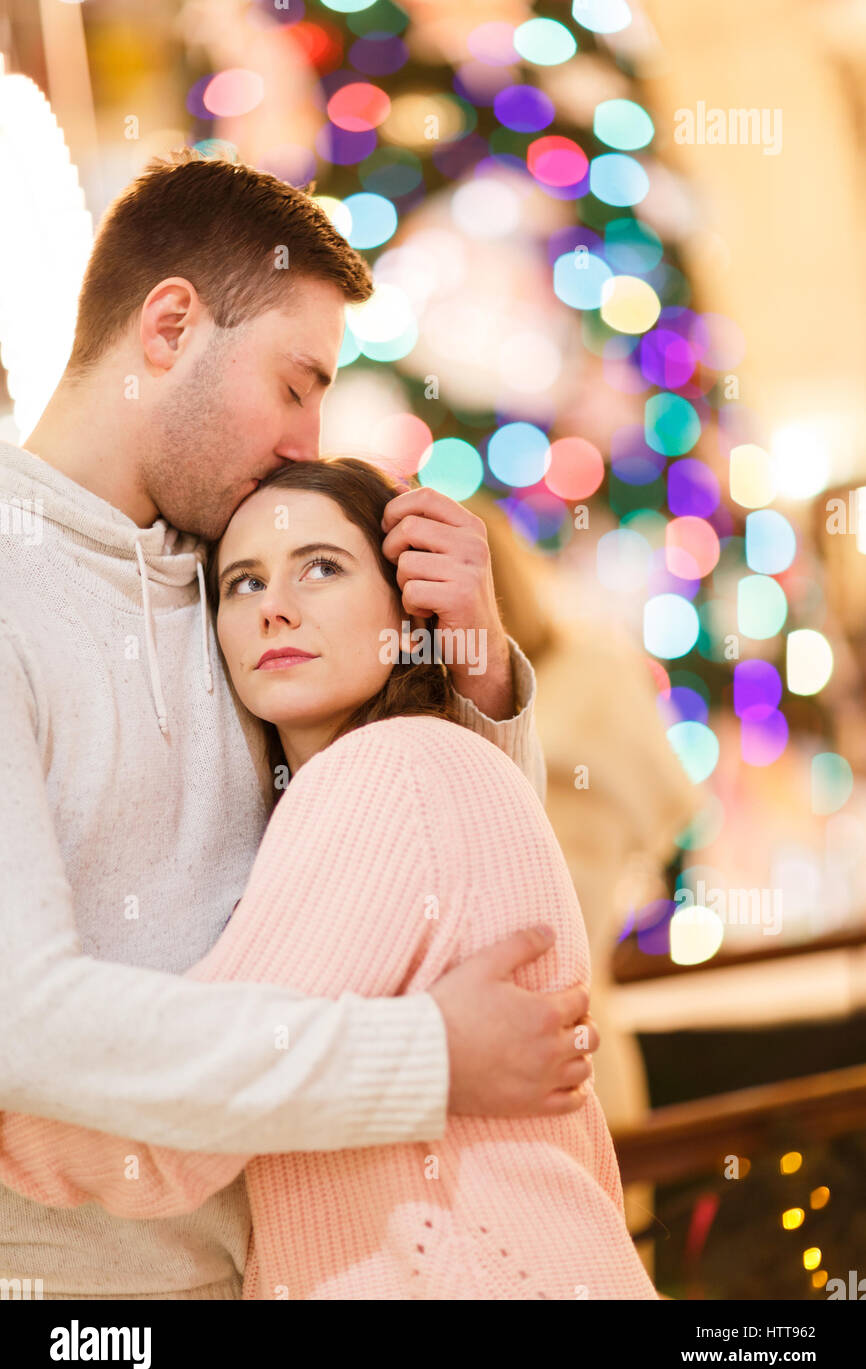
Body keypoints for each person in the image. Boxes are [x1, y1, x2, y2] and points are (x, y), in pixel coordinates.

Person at [0, 150, 596, 1301]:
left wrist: (461, 659)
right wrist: (422, 1057)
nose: (303, 437)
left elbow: (419, 851)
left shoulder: (230, 581)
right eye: (295, 382)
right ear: (168, 327)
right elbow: (23, 1021)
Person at [0, 456, 657, 1301]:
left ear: (407, 613)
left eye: (322, 568)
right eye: (242, 583)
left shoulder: (388, 773)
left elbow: (176, 1136)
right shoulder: (422, 765)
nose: (275, 606)